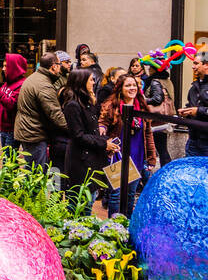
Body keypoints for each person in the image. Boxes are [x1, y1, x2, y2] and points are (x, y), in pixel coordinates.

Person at [99, 72, 157, 215]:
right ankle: (113, 227)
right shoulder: (111, 105)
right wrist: (103, 130)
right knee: (116, 195)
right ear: (120, 88)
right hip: (118, 155)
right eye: (128, 85)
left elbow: (148, 133)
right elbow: (102, 122)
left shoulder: (142, 106)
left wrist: (151, 157)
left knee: (131, 194)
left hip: (137, 155)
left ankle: (127, 225)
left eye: (134, 85)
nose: (132, 88)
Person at [61, 68, 120, 201]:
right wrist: (104, 144)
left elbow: (94, 131)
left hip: (92, 159)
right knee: (79, 203)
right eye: (91, 80)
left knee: (89, 202)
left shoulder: (89, 103)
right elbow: (78, 135)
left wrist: (107, 143)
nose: (94, 83)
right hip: (80, 161)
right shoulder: (72, 106)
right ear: (81, 82)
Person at [13, 53, 68, 169]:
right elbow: (55, 114)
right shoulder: (44, 85)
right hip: (33, 133)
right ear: (54, 66)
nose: (60, 67)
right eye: (59, 64)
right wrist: (74, 130)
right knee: (37, 171)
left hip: (28, 130)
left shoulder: (36, 77)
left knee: (32, 168)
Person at [0, 53, 28, 157]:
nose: (3, 69)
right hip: (3, 128)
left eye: (6, 66)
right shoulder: (7, 83)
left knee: (8, 161)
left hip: (12, 129)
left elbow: (11, 105)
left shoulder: (22, 85)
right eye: (3, 66)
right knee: (8, 159)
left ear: (14, 67)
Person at [142, 60, 176, 167]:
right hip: (164, 118)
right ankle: (166, 169)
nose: (148, 70)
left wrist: (143, 100)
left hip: (156, 119)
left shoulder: (155, 81)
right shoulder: (167, 80)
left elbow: (157, 99)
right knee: (162, 147)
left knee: (160, 147)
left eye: (150, 68)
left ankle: (165, 170)